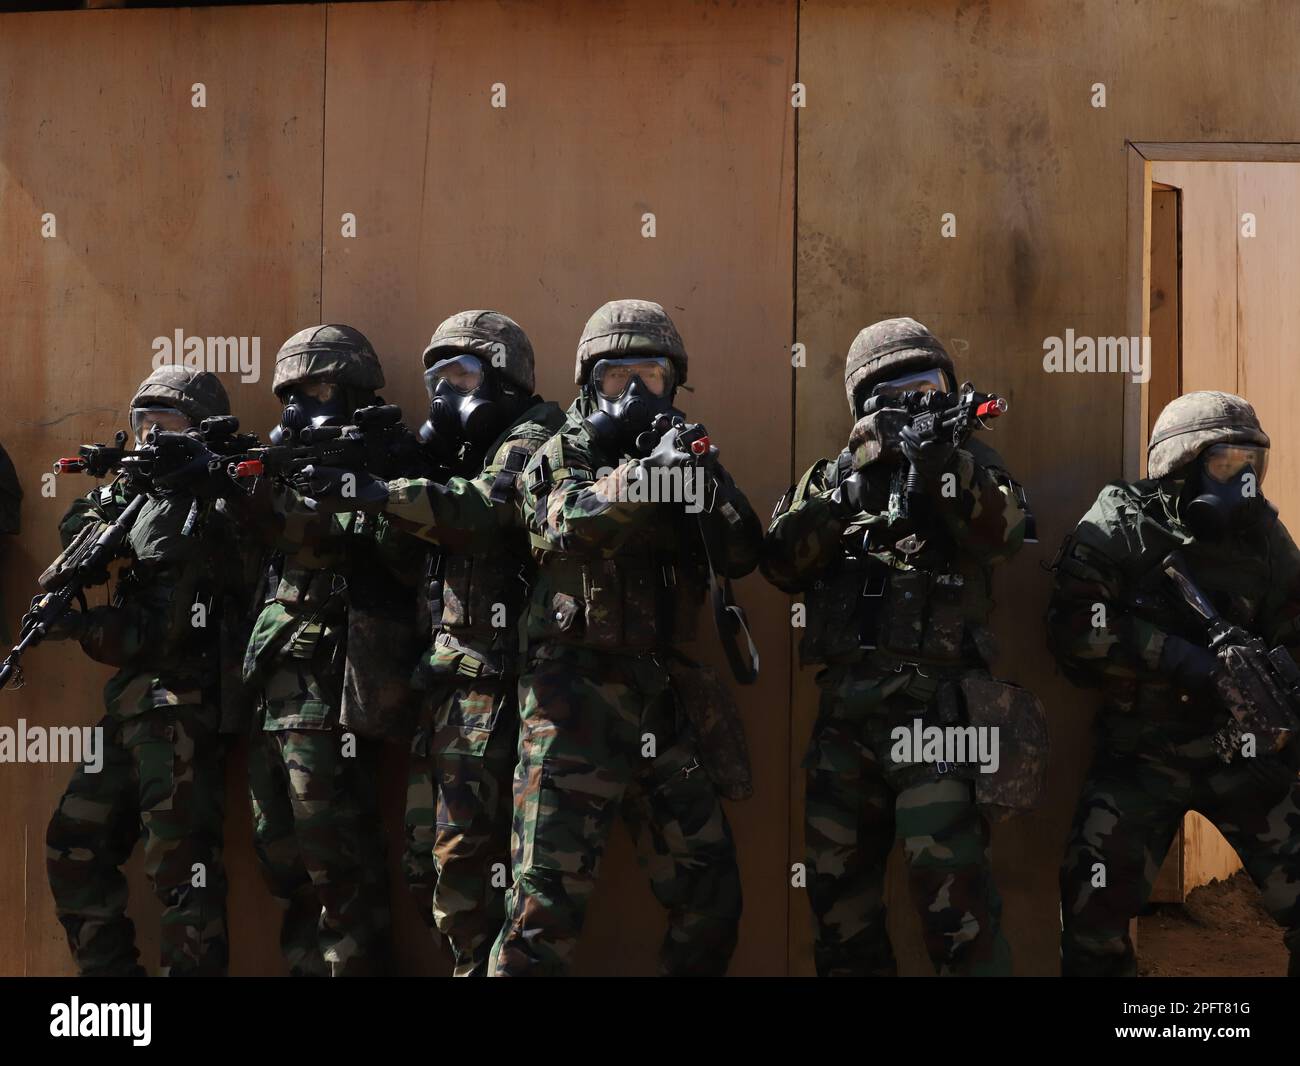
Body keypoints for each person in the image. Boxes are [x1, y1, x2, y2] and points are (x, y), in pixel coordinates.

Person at [491, 299, 762, 976]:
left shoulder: (683, 450)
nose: (637, 392)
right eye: (618, 377)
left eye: (652, 376)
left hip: (661, 700)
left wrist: (708, 479)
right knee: (541, 912)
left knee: (711, 899)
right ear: (588, 382)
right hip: (570, 704)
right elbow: (562, 524)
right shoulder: (559, 450)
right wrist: (649, 477)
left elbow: (741, 552)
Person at [295, 309, 564, 975]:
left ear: (506, 379)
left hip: (505, 684)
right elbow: (405, 553)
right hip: (445, 685)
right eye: (436, 380)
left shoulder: (536, 438)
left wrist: (380, 488)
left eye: (463, 375)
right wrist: (367, 500)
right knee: (429, 867)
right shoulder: (453, 457)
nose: (446, 394)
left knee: (472, 873)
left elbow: (489, 510)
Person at [762, 317, 1029, 977]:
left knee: (954, 909)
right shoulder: (831, 476)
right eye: (899, 392)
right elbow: (780, 563)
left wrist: (944, 468)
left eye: (930, 386)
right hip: (845, 727)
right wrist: (845, 487)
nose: (920, 403)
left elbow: (1007, 533)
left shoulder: (974, 467)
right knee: (840, 914)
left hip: (940, 720)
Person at [1050, 390, 1300, 977]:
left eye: (1252, 464)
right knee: (1092, 917)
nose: (1242, 480)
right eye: (1225, 463)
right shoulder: (1121, 521)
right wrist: (1178, 657)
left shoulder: (1263, 537)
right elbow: (1071, 631)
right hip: (1141, 751)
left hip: (1240, 752)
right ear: (1180, 462)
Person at [44, 366, 248, 976]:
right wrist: (116, 496)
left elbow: (160, 633)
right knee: (73, 846)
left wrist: (79, 628)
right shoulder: (141, 495)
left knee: (182, 873)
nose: (151, 437)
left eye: (167, 424)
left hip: (180, 706)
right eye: (143, 424)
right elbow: (73, 532)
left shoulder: (213, 500)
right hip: (133, 703)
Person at [243, 324, 424, 976]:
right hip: (275, 686)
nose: (297, 405)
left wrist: (352, 486)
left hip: (336, 685)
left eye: (315, 386)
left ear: (350, 390)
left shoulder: (385, 464)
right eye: (290, 391)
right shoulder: (280, 466)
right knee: (282, 853)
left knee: (335, 854)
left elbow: (400, 553)